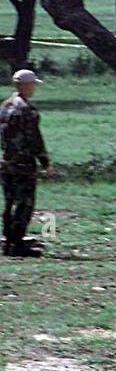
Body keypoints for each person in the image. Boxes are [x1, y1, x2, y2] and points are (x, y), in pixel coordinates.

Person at [0, 70, 52, 258]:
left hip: (6, 162)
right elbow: (35, 139)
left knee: (9, 203)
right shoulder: (27, 110)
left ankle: (8, 241)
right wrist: (45, 162)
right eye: (33, 84)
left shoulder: (4, 106)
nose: (34, 88)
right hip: (23, 163)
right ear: (25, 85)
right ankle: (17, 244)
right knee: (24, 205)